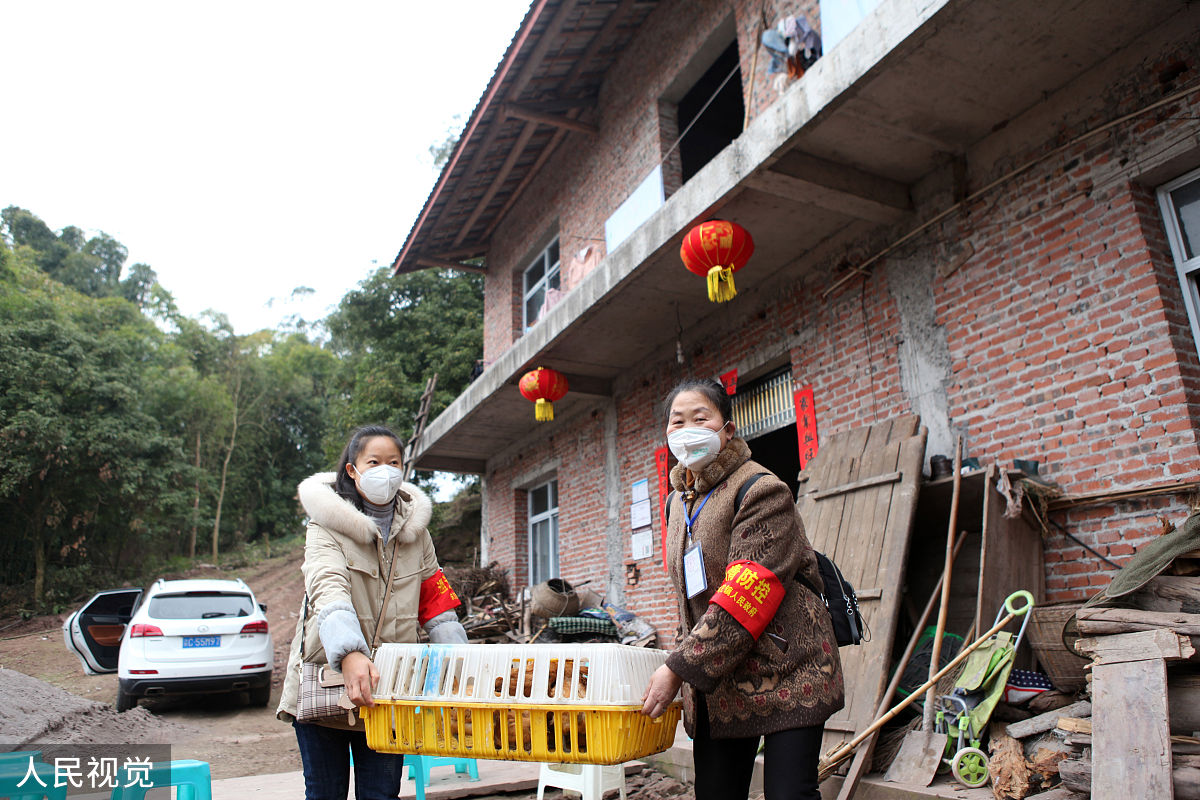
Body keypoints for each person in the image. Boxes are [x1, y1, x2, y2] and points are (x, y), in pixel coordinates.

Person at [641, 379, 844, 800]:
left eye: (701, 418)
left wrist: (677, 668)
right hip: (720, 680)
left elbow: (746, 593)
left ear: (727, 429)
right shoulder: (676, 504)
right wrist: (681, 665)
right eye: (677, 422)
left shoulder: (761, 488)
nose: (688, 430)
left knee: (790, 794)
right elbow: (688, 600)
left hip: (788, 668)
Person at [277, 425, 468, 800]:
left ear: (403, 469)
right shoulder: (325, 525)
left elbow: (436, 602)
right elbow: (327, 587)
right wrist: (349, 653)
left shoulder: (417, 534)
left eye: (393, 462)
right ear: (353, 469)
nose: (385, 470)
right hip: (327, 682)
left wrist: (463, 665)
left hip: (389, 689)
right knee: (324, 793)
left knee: (381, 795)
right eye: (374, 462)